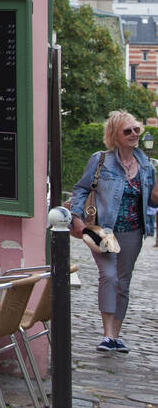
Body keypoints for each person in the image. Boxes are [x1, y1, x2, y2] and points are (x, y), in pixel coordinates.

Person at [70, 110, 157, 353]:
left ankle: (116, 335)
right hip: (103, 230)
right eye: (127, 131)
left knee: (123, 282)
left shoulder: (147, 166)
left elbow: (152, 201)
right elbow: (80, 189)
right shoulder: (100, 160)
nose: (134, 134)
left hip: (133, 232)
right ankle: (107, 334)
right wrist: (76, 218)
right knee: (109, 276)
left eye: (136, 129)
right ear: (114, 136)